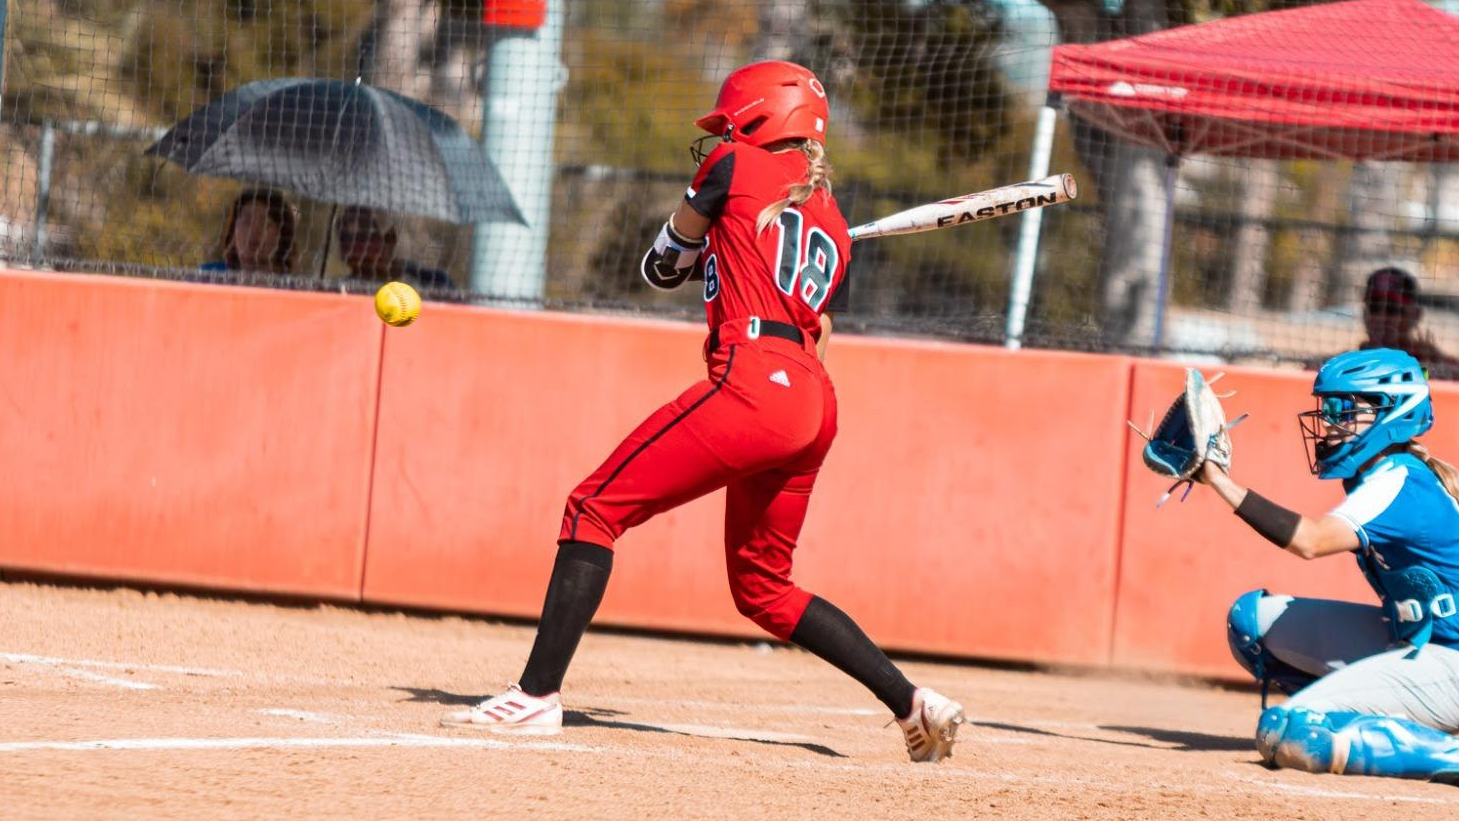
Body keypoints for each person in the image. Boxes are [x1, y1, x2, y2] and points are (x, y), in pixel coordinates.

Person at [437, 61, 965, 762]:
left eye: (730, 121)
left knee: (592, 506)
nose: (721, 134)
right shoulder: (831, 220)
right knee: (762, 588)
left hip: (752, 377)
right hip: (813, 397)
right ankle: (913, 704)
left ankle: (536, 694)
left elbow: (658, 267)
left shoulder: (731, 164)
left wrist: (708, 233)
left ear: (756, 116)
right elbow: (821, 331)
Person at [1200, 348, 1459, 783]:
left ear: (1390, 412)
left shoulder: (1398, 479)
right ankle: (1365, 714)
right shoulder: (1383, 474)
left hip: (1451, 663)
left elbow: (1310, 541)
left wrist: (1218, 480)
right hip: (1417, 644)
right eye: (1328, 409)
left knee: (1294, 732)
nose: (1329, 424)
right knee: (1252, 624)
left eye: (1343, 409)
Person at [1356, 267, 1459, 380]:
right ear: (1365, 314)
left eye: (1392, 310)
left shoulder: (1435, 362)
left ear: (1416, 315)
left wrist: (1440, 364)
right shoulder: (1348, 361)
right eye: (1374, 308)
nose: (1381, 317)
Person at [334, 206, 453, 289]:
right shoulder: (341, 291)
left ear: (391, 239)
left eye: (369, 255)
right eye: (354, 258)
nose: (361, 263)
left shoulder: (434, 283)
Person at [200, 188, 298, 275]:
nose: (254, 230)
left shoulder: (294, 290)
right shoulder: (207, 276)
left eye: (265, 223)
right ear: (233, 231)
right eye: (246, 221)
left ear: (282, 235)